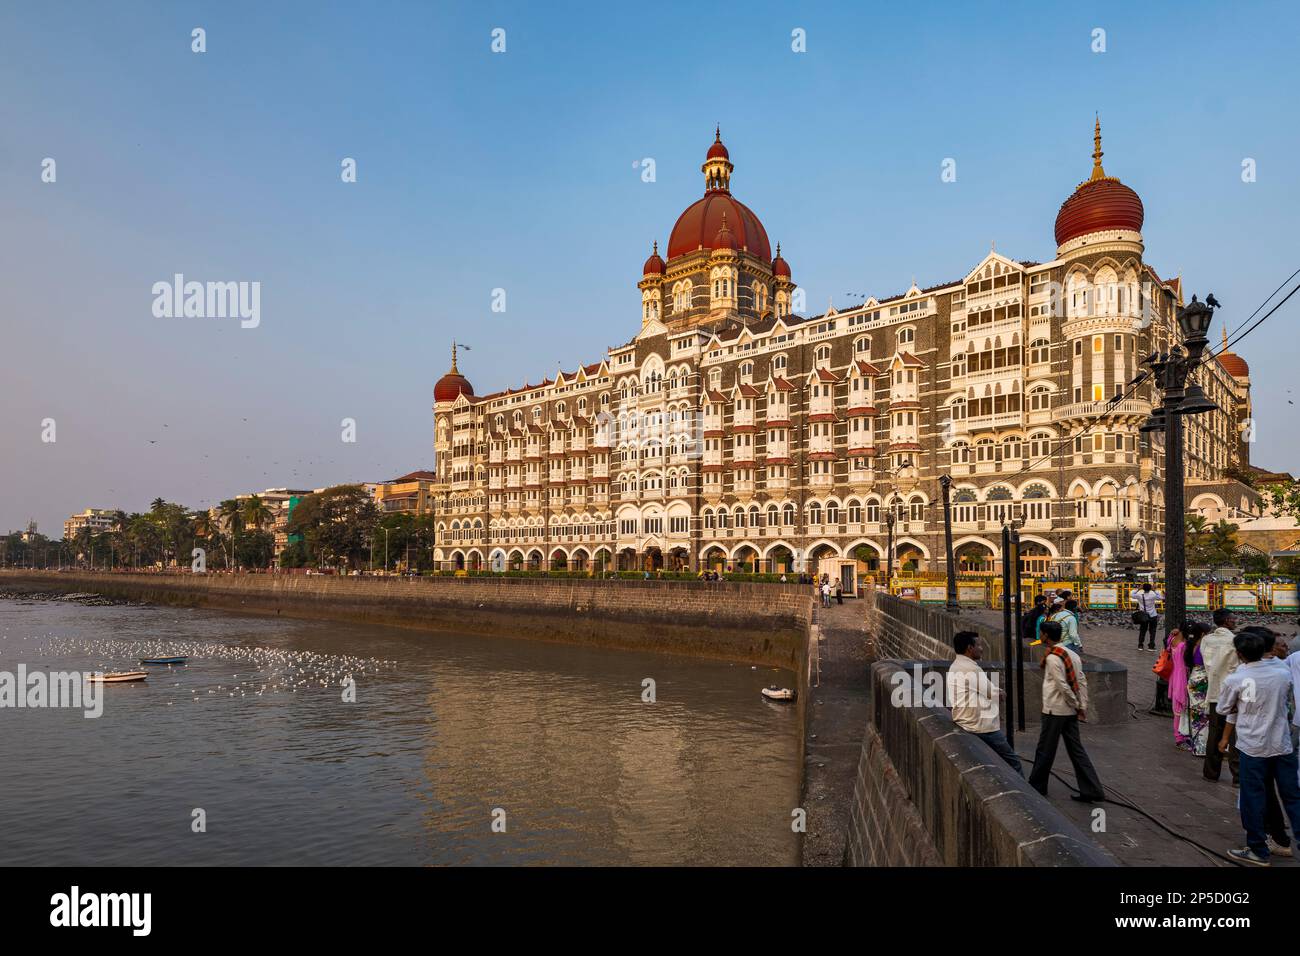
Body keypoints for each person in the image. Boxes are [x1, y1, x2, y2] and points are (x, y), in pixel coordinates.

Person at [1217, 629, 1300, 865]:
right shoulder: (1282, 671)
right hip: (1281, 744)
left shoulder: (1236, 678)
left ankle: (1257, 848)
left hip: (1252, 746)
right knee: (1292, 797)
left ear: (1240, 654)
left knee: (1253, 797)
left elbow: (1223, 709)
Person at [1028, 620, 1105, 802]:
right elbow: (1082, 681)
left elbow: (1062, 685)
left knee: (1045, 749)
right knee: (1076, 750)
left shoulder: (1054, 657)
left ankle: (1036, 786)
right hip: (1069, 712)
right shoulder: (1072, 654)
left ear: (1045, 635)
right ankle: (1092, 789)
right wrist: (1081, 704)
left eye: (1041, 633)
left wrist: (1075, 703)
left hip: (1055, 710)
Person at [947, 631, 1022, 774]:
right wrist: (1001, 693)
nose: (981, 648)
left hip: (963, 719)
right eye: (979, 645)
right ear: (970, 648)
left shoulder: (956, 665)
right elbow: (992, 692)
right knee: (1013, 763)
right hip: (980, 725)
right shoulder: (971, 668)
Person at [1202, 608, 1241, 783]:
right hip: (1232, 692)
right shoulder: (1234, 641)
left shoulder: (1207, 640)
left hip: (1214, 691)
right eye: (1233, 618)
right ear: (1226, 621)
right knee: (1234, 735)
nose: (1235, 621)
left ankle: (1211, 772)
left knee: (1214, 733)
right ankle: (1238, 776)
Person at [1182, 620, 1212, 756]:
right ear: (1203, 633)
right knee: (1204, 714)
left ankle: (1196, 746)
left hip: (1193, 678)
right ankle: (1202, 748)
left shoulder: (1191, 644)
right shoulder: (1204, 646)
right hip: (1202, 679)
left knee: (1195, 713)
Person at [1167, 626, 1192, 750]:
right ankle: (1179, 737)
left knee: (1177, 708)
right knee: (1180, 708)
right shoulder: (1184, 645)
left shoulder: (1172, 639)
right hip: (1181, 675)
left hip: (1174, 674)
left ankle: (1180, 736)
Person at [1131, 581, 1163, 651]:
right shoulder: (1153, 596)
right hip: (1153, 615)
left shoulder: (1140, 596)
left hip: (1143, 616)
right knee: (1152, 631)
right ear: (1150, 589)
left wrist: (1139, 589)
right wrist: (1154, 590)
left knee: (1143, 630)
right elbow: (1161, 597)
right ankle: (1151, 646)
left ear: (1143, 589)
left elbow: (1132, 594)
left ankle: (1140, 645)